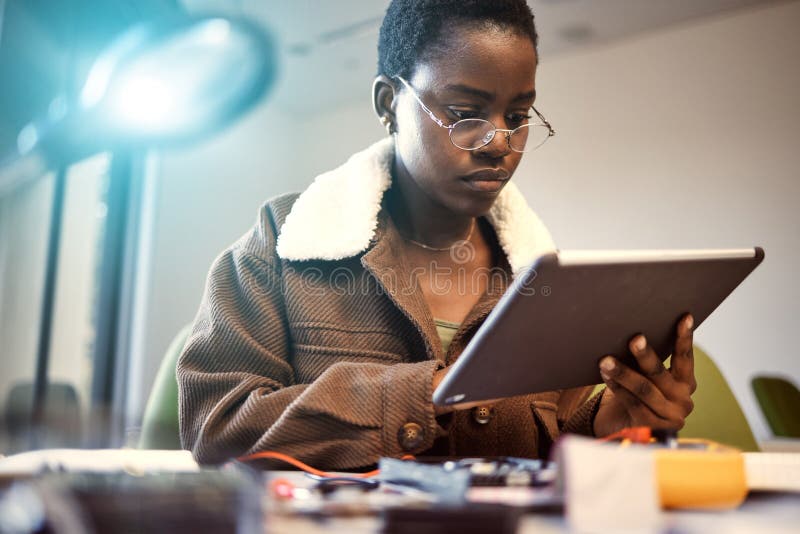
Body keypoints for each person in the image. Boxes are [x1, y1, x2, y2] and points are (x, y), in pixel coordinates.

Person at [178, 0, 696, 468]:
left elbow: (544, 453)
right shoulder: (284, 241)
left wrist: (610, 426)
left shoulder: (542, 281)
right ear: (388, 103)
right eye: (465, 113)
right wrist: (427, 394)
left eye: (517, 116)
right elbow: (216, 426)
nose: (500, 144)